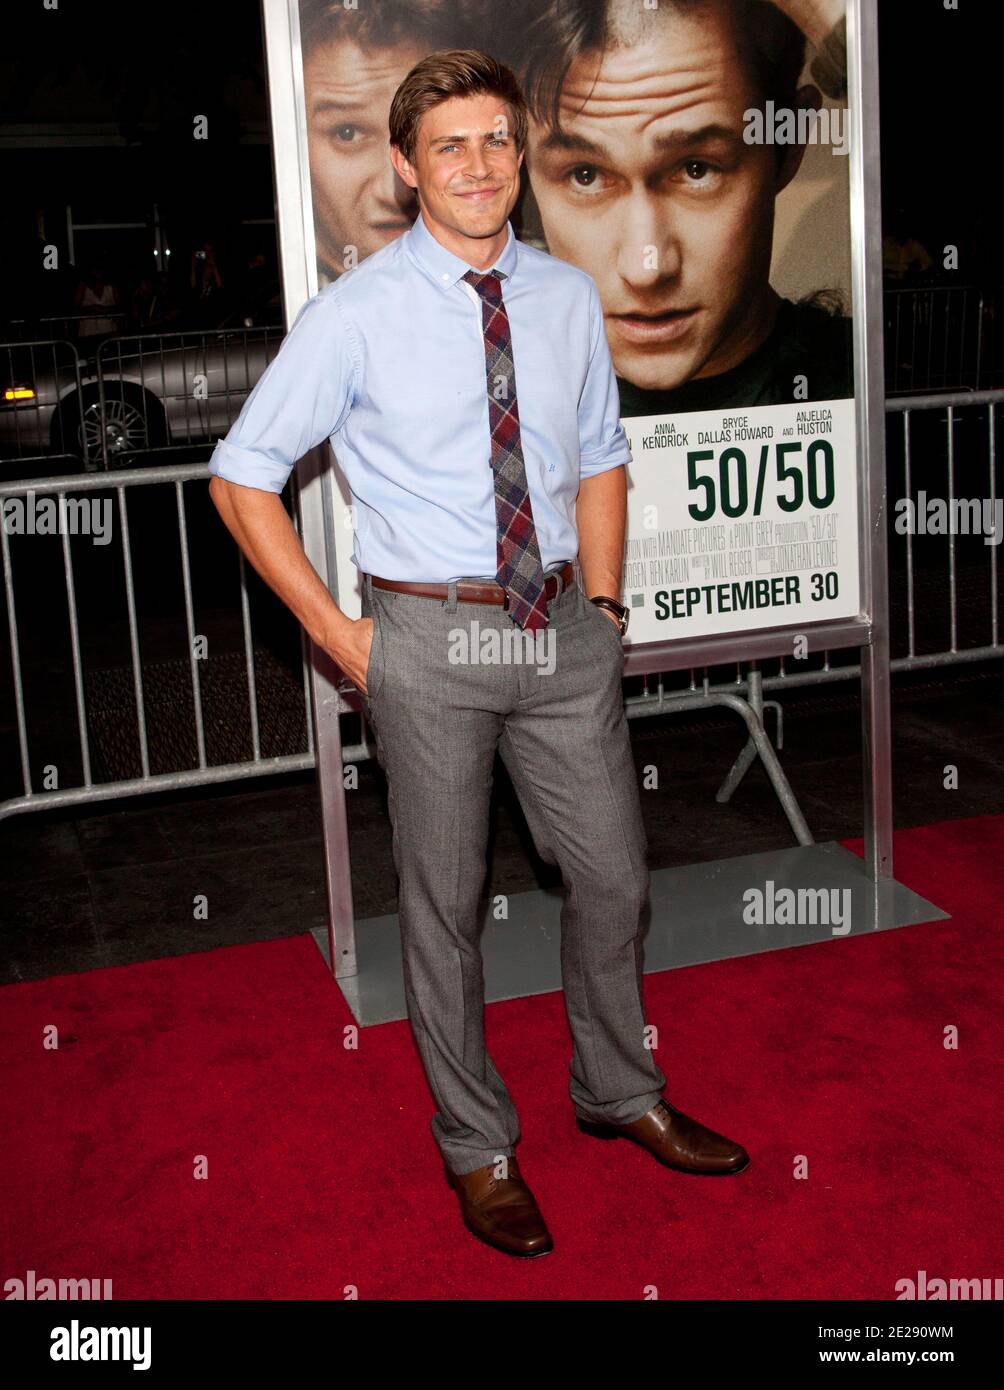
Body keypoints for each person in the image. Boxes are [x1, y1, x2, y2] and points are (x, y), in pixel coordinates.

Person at [208, 49, 748, 1259]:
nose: (477, 164)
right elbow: (241, 476)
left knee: (610, 876)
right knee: (443, 908)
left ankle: (618, 1091)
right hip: (423, 637)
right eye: (448, 144)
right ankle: (477, 1145)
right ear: (406, 167)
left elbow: (601, 449)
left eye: (497, 140)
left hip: (561, 630)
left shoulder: (561, 294)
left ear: (519, 154)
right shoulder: (353, 313)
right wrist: (340, 635)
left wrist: (603, 611)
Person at [501, 0, 853, 415]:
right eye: (586, 176)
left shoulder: (882, 382)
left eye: (696, 169)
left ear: (790, 145)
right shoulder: (490, 414)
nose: (646, 270)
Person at [299, 0, 478, 285]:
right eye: (348, 133)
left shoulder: (530, 287)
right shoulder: (305, 317)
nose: (395, 189)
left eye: (426, 130)